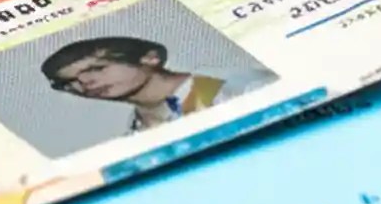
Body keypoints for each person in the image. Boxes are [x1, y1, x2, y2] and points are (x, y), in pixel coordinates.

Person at [40, 36, 274, 133]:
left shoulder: (243, 87)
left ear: (150, 58)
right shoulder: (133, 137)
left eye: (95, 69)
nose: (84, 83)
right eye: (68, 83)